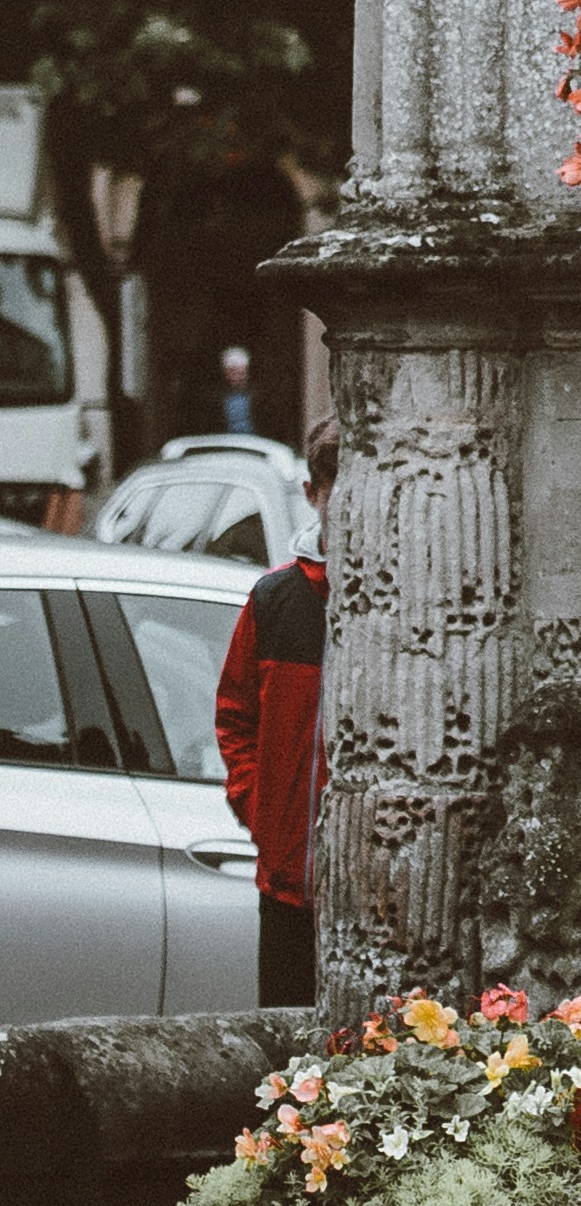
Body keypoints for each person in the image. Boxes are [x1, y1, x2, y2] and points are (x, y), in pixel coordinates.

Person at [214, 413, 337, 1007]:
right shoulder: (275, 599)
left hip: (373, 897)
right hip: (286, 887)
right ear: (313, 493)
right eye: (335, 489)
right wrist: (258, 808)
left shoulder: (397, 601)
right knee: (289, 1062)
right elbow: (235, 716)